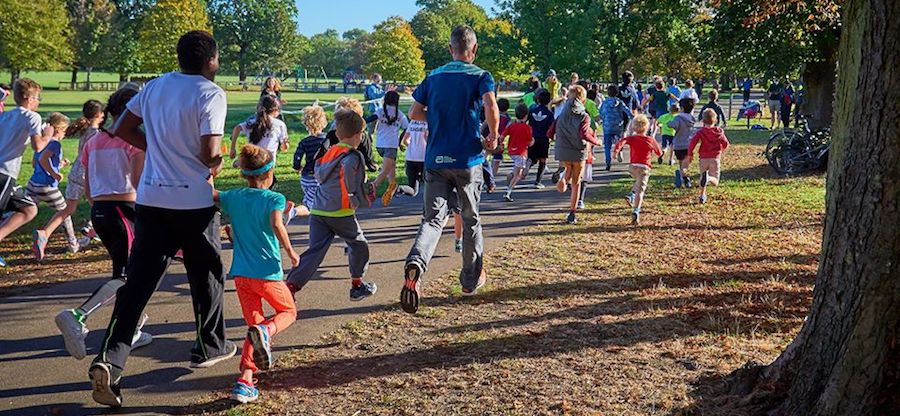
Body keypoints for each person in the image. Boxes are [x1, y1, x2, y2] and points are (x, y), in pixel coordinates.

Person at [89, 31, 235, 408]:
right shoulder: (210, 93)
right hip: (194, 202)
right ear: (211, 61)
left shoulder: (153, 87)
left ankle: (110, 360)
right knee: (206, 275)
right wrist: (218, 162)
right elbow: (208, 152)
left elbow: (120, 128)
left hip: (152, 198)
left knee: (138, 284)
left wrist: (157, 147)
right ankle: (209, 345)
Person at [400, 25, 500, 314]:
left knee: (432, 220)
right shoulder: (481, 75)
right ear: (474, 48)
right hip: (468, 159)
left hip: (435, 161)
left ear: (450, 48)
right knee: (469, 220)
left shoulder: (433, 76)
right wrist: (492, 134)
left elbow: (414, 112)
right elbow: (491, 105)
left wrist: (438, 117)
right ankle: (470, 279)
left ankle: (417, 262)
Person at [54, 86, 152, 361]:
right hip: (124, 210)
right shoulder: (133, 141)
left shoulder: (94, 141)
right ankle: (78, 315)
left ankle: (129, 327)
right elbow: (136, 183)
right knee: (125, 276)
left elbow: (88, 188)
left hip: (100, 211)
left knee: (125, 271)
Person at [215, 144, 299, 404]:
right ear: (270, 171)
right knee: (288, 313)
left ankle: (245, 382)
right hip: (267, 273)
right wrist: (291, 251)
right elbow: (276, 223)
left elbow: (210, 193)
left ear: (244, 173)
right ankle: (267, 333)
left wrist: (208, 169)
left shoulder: (234, 196)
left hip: (241, 274)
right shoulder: (275, 199)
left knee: (255, 325)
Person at [285, 109, 378, 300]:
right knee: (359, 245)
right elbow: (350, 180)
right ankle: (357, 285)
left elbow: (320, 174)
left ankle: (291, 286)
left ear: (337, 134)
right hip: (340, 211)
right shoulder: (351, 156)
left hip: (319, 209)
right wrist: (355, 196)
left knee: (315, 251)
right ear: (359, 135)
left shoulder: (329, 153)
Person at [33, 100, 104, 260]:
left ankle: (46, 233)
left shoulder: (85, 130)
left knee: (67, 209)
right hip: (90, 173)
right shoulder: (98, 133)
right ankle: (90, 229)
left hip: (76, 172)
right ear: (99, 115)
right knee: (100, 205)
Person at [0, 78, 50, 267]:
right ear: (29, 99)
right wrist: (49, 135)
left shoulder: (4, 116)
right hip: (4, 172)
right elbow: (38, 147)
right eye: (38, 98)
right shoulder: (32, 117)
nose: (39, 101)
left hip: (7, 175)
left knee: (30, 209)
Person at [26, 113, 83, 257]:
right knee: (65, 212)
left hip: (33, 184)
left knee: (21, 211)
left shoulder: (43, 142)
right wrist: (55, 174)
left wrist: (59, 165)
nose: (65, 133)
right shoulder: (55, 144)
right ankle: (73, 244)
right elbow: (45, 160)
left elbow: (36, 162)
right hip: (48, 187)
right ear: (58, 129)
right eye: (65, 130)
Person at [547, 85, 599, 224]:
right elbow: (584, 134)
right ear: (583, 98)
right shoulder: (584, 116)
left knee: (568, 168)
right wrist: (596, 141)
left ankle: (563, 178)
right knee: (576, 183)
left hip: (562, 150)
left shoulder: (561, 115)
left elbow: (550, 133)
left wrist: (559, 140)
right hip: (578, 150)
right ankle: (572, 212)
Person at [229, 95, 289, 190]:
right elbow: (284, 147)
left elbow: (237, 128)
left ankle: (240, 161)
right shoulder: (280, 125)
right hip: (267, 163)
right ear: (276, 110)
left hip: (252, 162)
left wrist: (232, 148)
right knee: (266, 187)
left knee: (253, 186)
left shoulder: (252, 122)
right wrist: (285, 145)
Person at [612, 114, 663, 226]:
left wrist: (616, 151)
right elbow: (659, 152)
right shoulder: (650, 140)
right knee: (641, 190)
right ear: (647, 127)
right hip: (644, 167)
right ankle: (636, 210)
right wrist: (659, 155)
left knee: (637, 182)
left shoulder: (632, 138)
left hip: (633, 167)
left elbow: (621, 141)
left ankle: (632, 194)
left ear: (633, 127)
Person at [367, 90, 409, 206]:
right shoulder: (399, 114)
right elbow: (407, 128)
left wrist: (363, 122)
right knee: (385, 170)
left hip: (379, 145)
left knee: (391, 170)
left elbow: (372, 118)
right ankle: (374, 185)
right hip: (391, 146)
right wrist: (401, 141)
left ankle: (391, 189)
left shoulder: (380, 111)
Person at [687, 109, 730, 204]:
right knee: (715, 180)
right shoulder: (719, 132)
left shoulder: (700, 132)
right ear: (715, 120)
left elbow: (692, 143)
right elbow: (726, 144)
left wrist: (690, 154)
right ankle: (709, 178)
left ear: (703, 120)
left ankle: (702, 195)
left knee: (703, 176)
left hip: (703, 158)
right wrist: (721, 150)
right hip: (715, 158)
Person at [324, 97, 378, 172]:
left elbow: (324, 150)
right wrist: (372, 165)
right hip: (355, 168)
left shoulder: (332, 133)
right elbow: (367, 153)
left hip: (334, 168)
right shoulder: (361, 135)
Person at [293, 105, 328, 209]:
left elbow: (297, 157)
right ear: (324, 123)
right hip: (323, 174)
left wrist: (297, 167)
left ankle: (304, 207)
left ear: (306, 124)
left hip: (307, 175)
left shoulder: (304, 142)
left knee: (310, 197)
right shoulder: (328, 140)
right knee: (318, 201)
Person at [501, 104, 533, 202]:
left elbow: (502, 136)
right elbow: (530, 142)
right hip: (521, 152)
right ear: (526, 115)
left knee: (518, 171)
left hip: (512, 151)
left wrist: (501, 144)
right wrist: (533, 141)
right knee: (518, 175)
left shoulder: (512, 125)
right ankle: (508, 191)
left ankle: (511, 175)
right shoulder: (527, 128)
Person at [599, 84, 633, 171]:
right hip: (618, 125)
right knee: (619, 141)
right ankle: (619, 152)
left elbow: (601, 113)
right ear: (617, 93)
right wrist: (633, 117)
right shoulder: (620, 102)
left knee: (607, 146)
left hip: (607, 126)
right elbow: (627, 111)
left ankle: (608, 161)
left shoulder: (605, 103)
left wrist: (603, 119)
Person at [526, 89, 554, 187]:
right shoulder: (549, 114)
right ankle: (538, 182)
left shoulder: (532, 110)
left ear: (538, 100)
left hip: (532, 137)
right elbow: (551, 127)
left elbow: (526, 122)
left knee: (532, 156)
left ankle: (529, 163)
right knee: (543, 160)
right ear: (549, 101)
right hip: (543, 138)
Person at [668, 98, 697, 189]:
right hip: (688, 144)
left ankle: (681, 175)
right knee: (686, 162)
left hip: (678, 144)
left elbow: (673, 125)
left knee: (681, 161)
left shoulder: (678, 118)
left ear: (682, 108)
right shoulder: (692, 118)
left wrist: (669, 123)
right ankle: (685, 177)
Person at [401, 119, 428, 196]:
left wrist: (412, 147)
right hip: (424, 157)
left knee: (413, 189)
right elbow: (426, 137)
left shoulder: (412, 122)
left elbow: (405, 140)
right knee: (429, 185)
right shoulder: (428, 121)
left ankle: (399, 189)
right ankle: (427, 206)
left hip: (410, 157)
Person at [488, 98, 511, 179]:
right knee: (497, 159)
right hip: (500, 139)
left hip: (490, 136)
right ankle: (492, 175)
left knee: (487, 154)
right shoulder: (508, 118)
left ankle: (486, 172)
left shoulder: (494, 115)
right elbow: (508, 129)